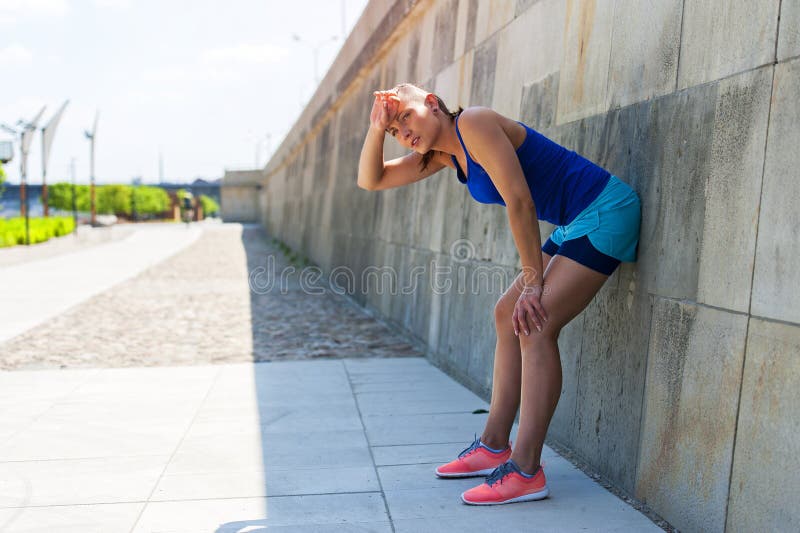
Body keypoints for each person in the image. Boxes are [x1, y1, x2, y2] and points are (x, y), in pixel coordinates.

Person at [357, 83, 641, 505]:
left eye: (407, 117)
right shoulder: (444, 154)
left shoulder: (474, 123)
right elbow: (372, 180)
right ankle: (493, 445)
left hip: (605, 211)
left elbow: (521, 202)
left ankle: (527, 470)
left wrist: (533, 282)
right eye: (396, 129)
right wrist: (376, 128)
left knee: (534, 324)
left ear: (433, 104)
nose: (404, 132)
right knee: (506, 313)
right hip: (576, 221)